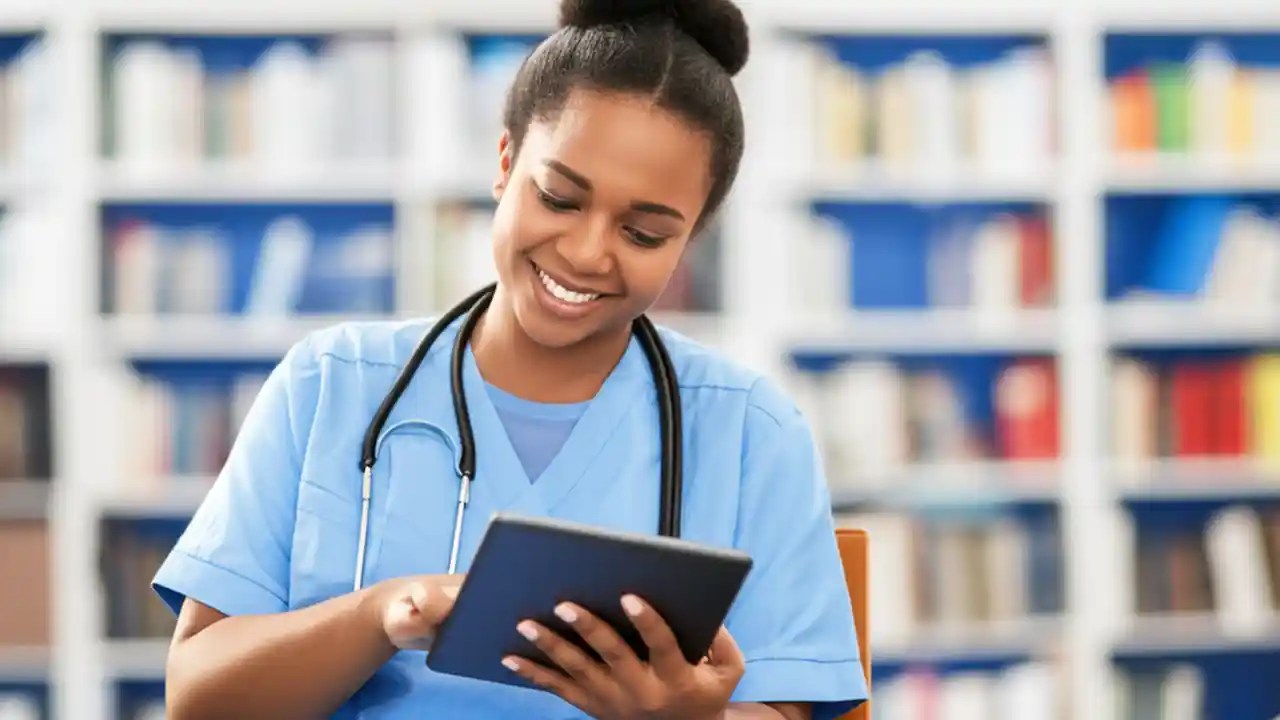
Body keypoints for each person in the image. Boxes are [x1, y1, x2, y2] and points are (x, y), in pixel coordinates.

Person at [152, 0, 869, 717]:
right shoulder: (329, 384)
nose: (588, 253)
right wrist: (376, 617)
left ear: (692, 237)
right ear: (504, 163)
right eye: (558, 197)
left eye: (645, 233)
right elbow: (197, 697)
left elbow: (789, 708)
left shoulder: (752, 430)